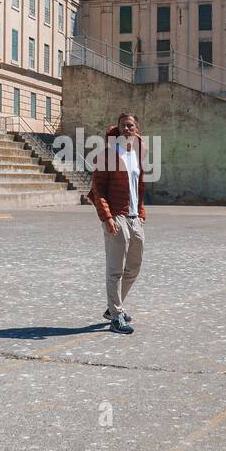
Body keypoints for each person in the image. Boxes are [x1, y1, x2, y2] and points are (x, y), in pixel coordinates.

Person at [88, 112, 145, 333]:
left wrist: (140, 213)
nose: (127, 129)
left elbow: (138, 189)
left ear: (136, 129)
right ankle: (116, 316)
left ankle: (113, 308)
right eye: (123, 126)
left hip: (134, 217)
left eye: (130, 126)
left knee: (134, 266)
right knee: (115, 271)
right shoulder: (107, 155)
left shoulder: (138, 155)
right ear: (118, 129)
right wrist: (107, 217)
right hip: (116, 216)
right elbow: (98, 190)